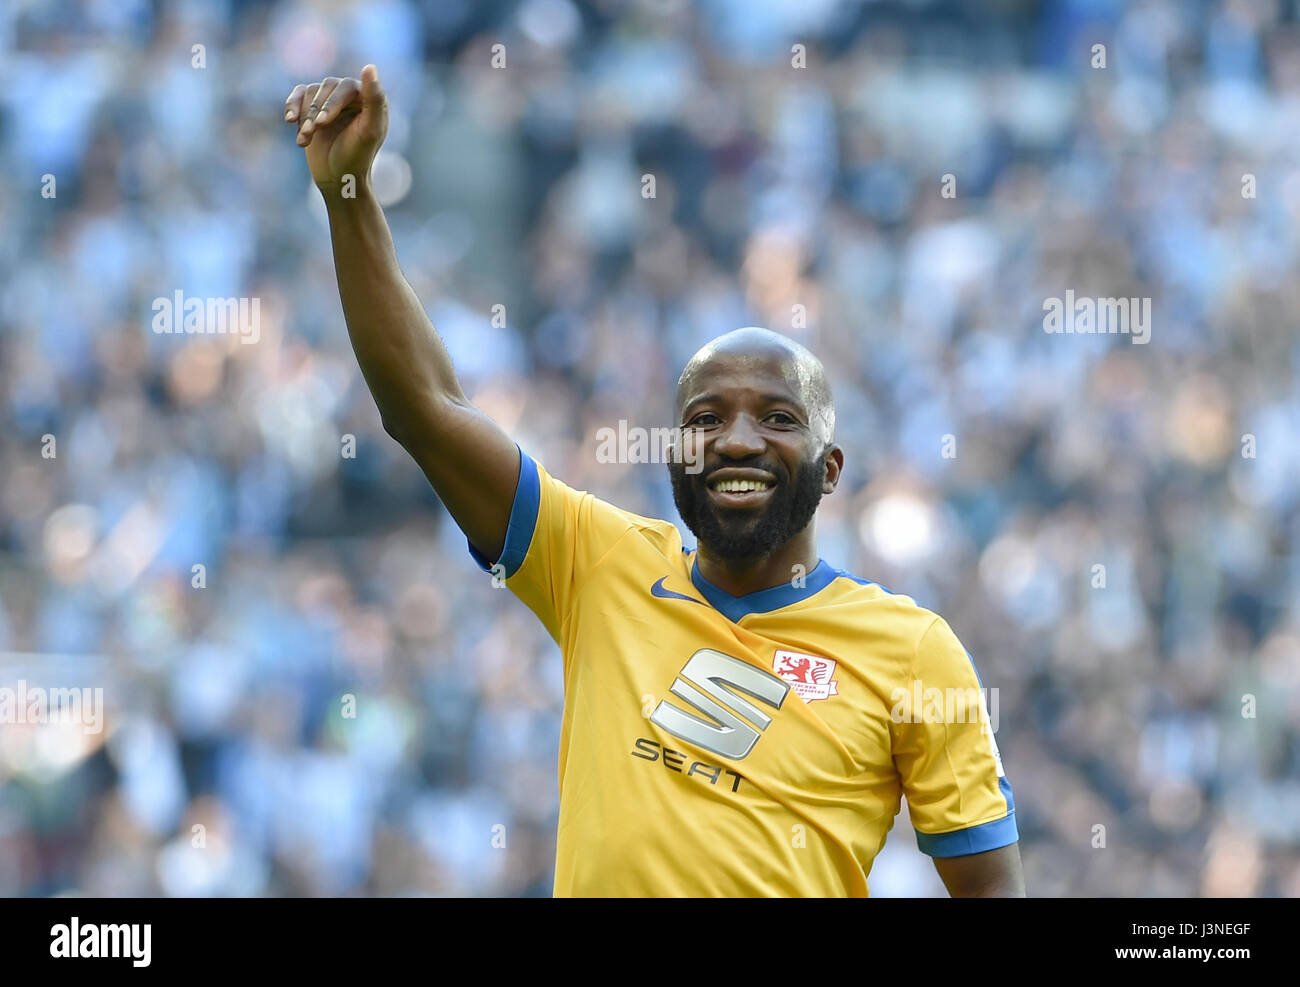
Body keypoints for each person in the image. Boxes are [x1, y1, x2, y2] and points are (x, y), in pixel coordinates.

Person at [285, 65, 1026, 897]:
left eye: (778, 418)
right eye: (706, 419)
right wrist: (349, 194)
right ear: (675, 454)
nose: (737, 440)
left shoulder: (915, 651)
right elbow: (424, 408)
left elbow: (991, 887)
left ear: (831, 466)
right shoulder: (600, 564)